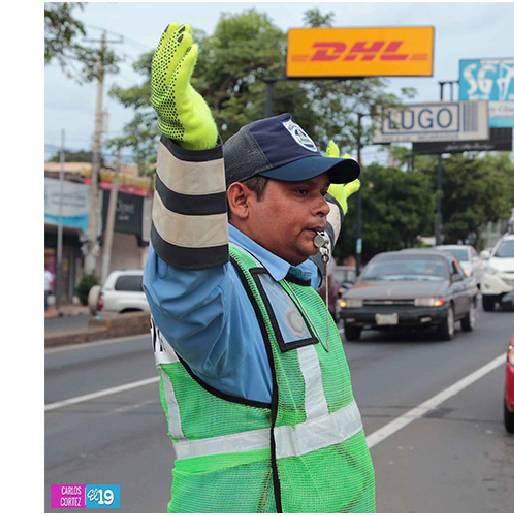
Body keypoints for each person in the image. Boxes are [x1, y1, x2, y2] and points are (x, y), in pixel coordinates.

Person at [144, 23, 374, 512]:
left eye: (323, 192)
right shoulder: (225, 293)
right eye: (301, 191)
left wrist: (333, 211)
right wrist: (191, 157)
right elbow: (186, 289)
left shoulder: (289, 271)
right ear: (240, 199)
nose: (320, 205)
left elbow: (318, 246)